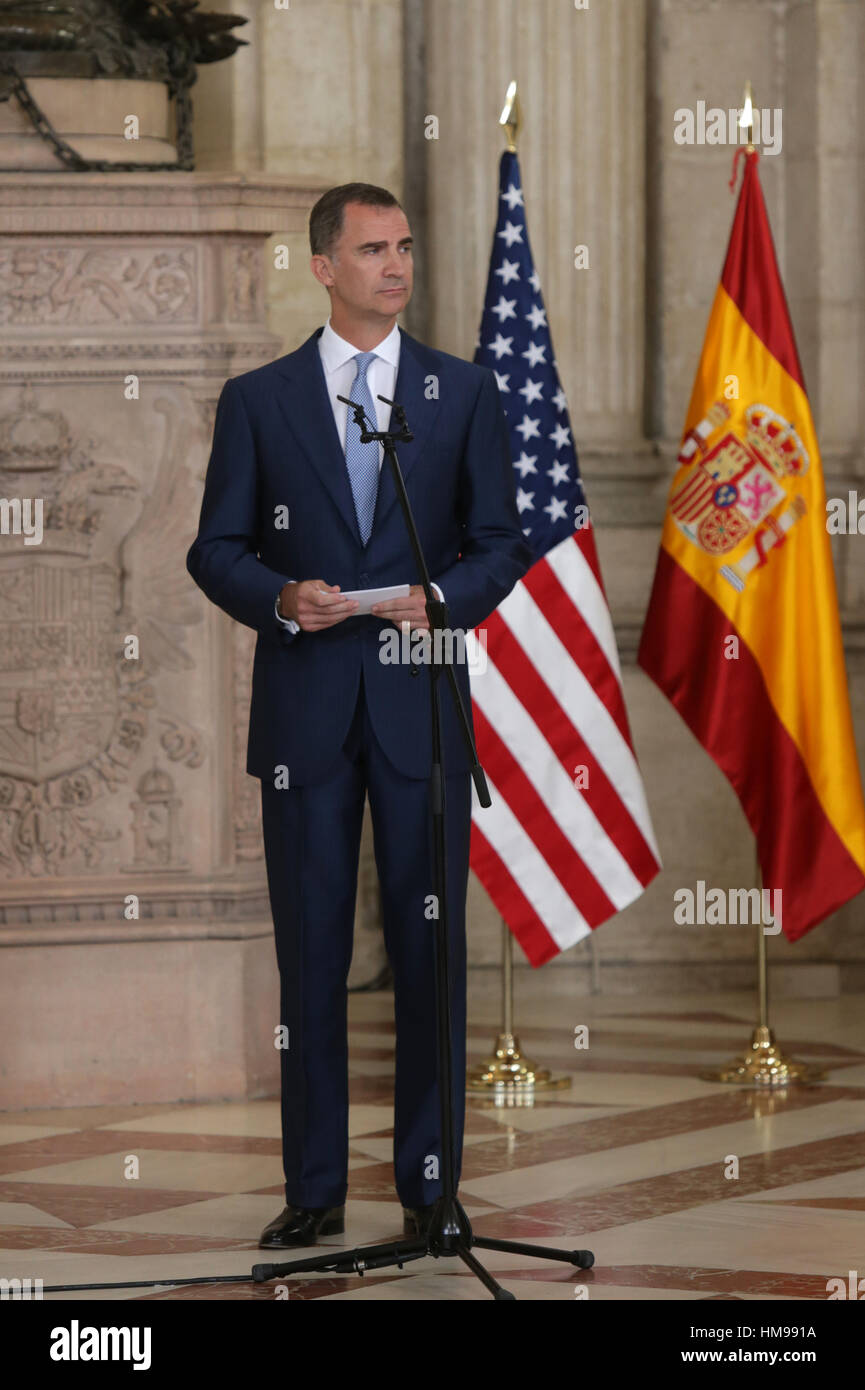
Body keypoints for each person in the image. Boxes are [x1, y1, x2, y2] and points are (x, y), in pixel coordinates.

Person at [186, 182, 532, 1248]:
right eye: (372, 249)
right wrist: (280, 598)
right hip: (306, 719)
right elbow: (216, 549)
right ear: (322, 266)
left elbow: (500, 542)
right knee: (312, 961)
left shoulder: (460, 391)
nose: (395, 265)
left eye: (405, 247)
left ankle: (430, 1189)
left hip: (419, 704)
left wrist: (445, 596)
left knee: (431, 959)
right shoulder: (260, 398)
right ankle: (315, 1184)